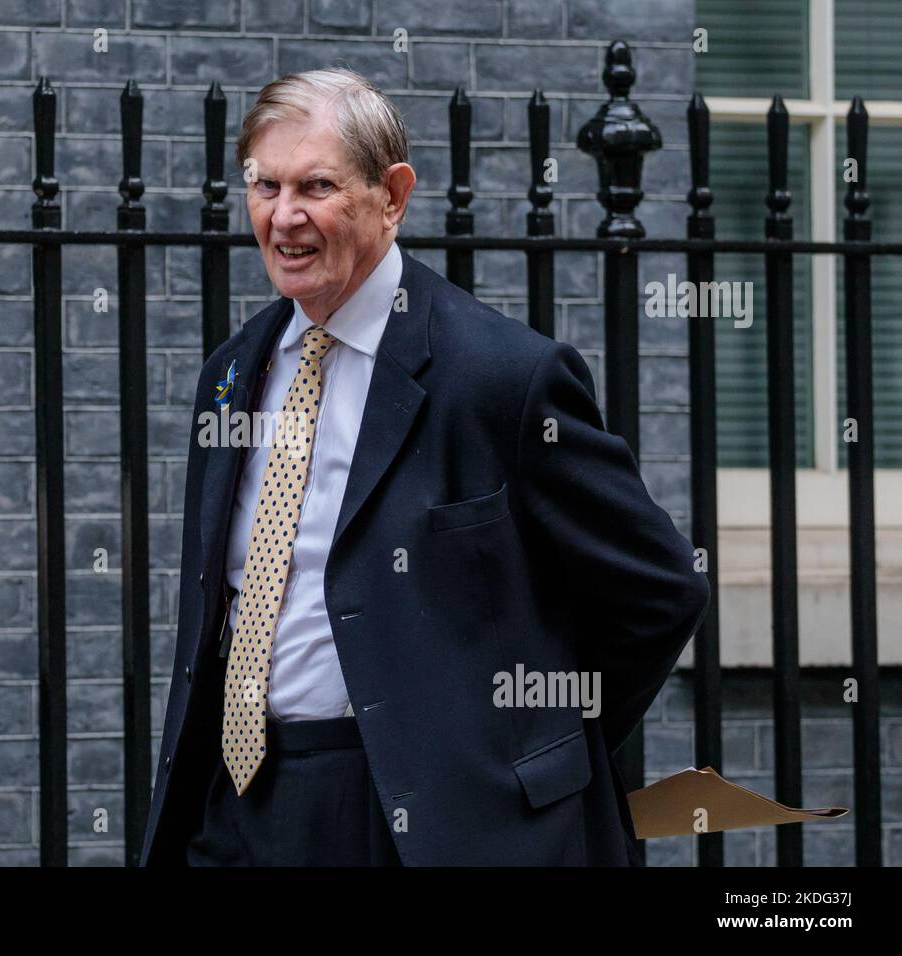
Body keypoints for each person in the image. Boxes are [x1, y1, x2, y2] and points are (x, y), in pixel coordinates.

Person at [139, 68, 710, 866]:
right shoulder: (234, 371)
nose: (285, 215)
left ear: (392, 195)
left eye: (317, 186)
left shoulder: (501, 376)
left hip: (417, 819)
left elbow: (658, 588)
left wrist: (517, 749)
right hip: (243, 810)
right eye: (265, 185)